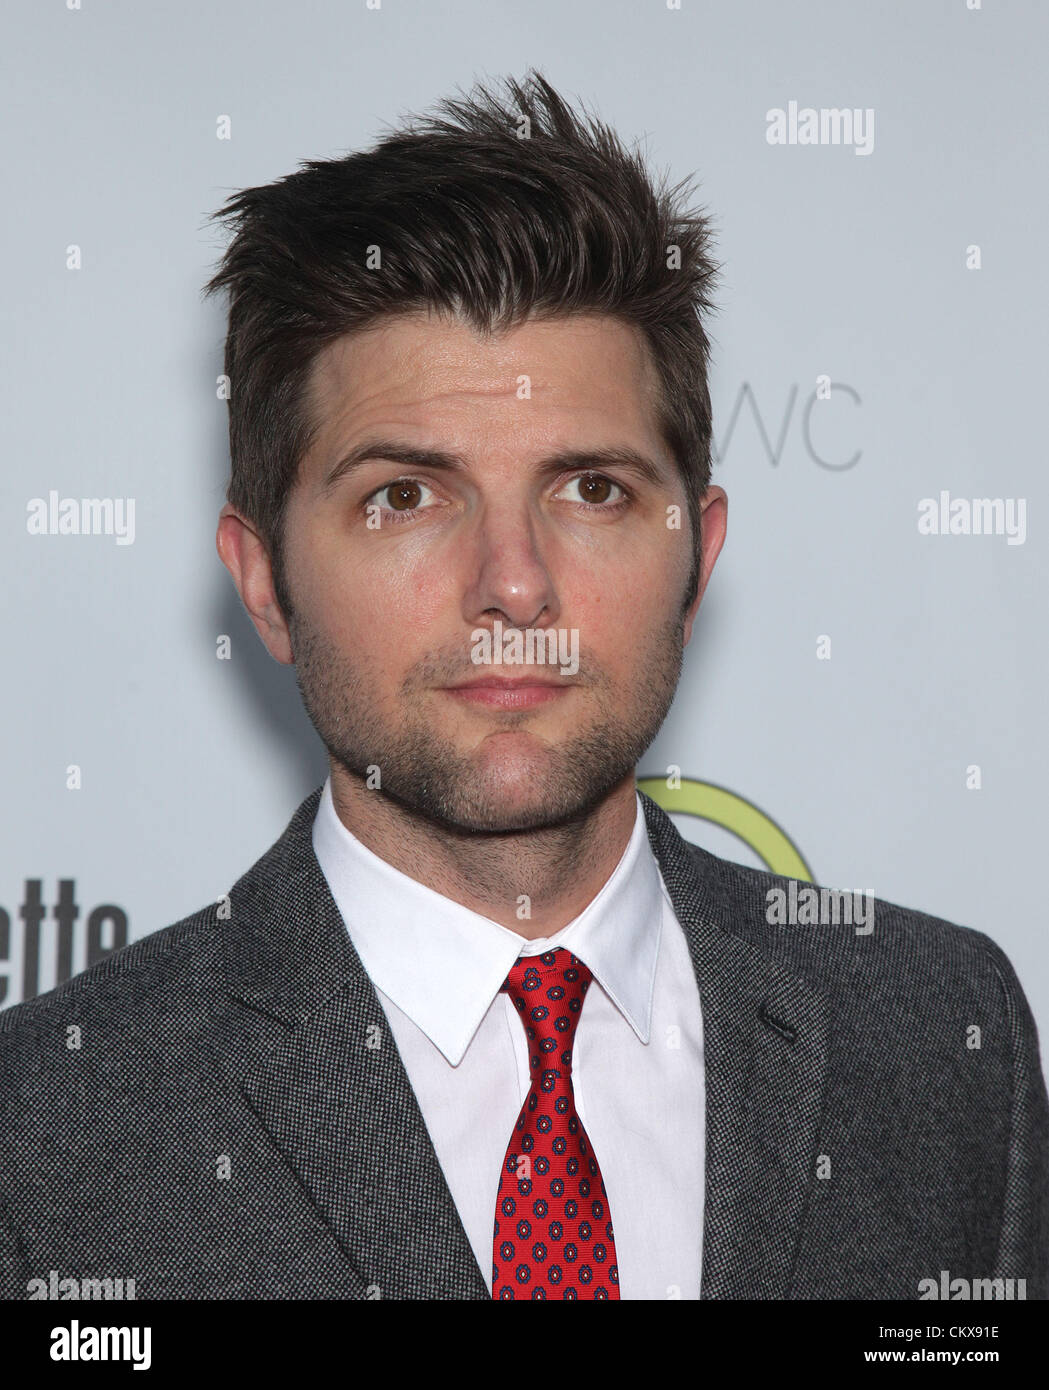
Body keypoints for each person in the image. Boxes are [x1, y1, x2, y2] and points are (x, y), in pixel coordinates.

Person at [1, 70, 1045, 1302]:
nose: (512, 586)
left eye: (591, 489)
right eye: (402, 496)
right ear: (265, 582)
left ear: (696, 558)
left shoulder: (938, 1038)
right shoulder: (49, 1130)